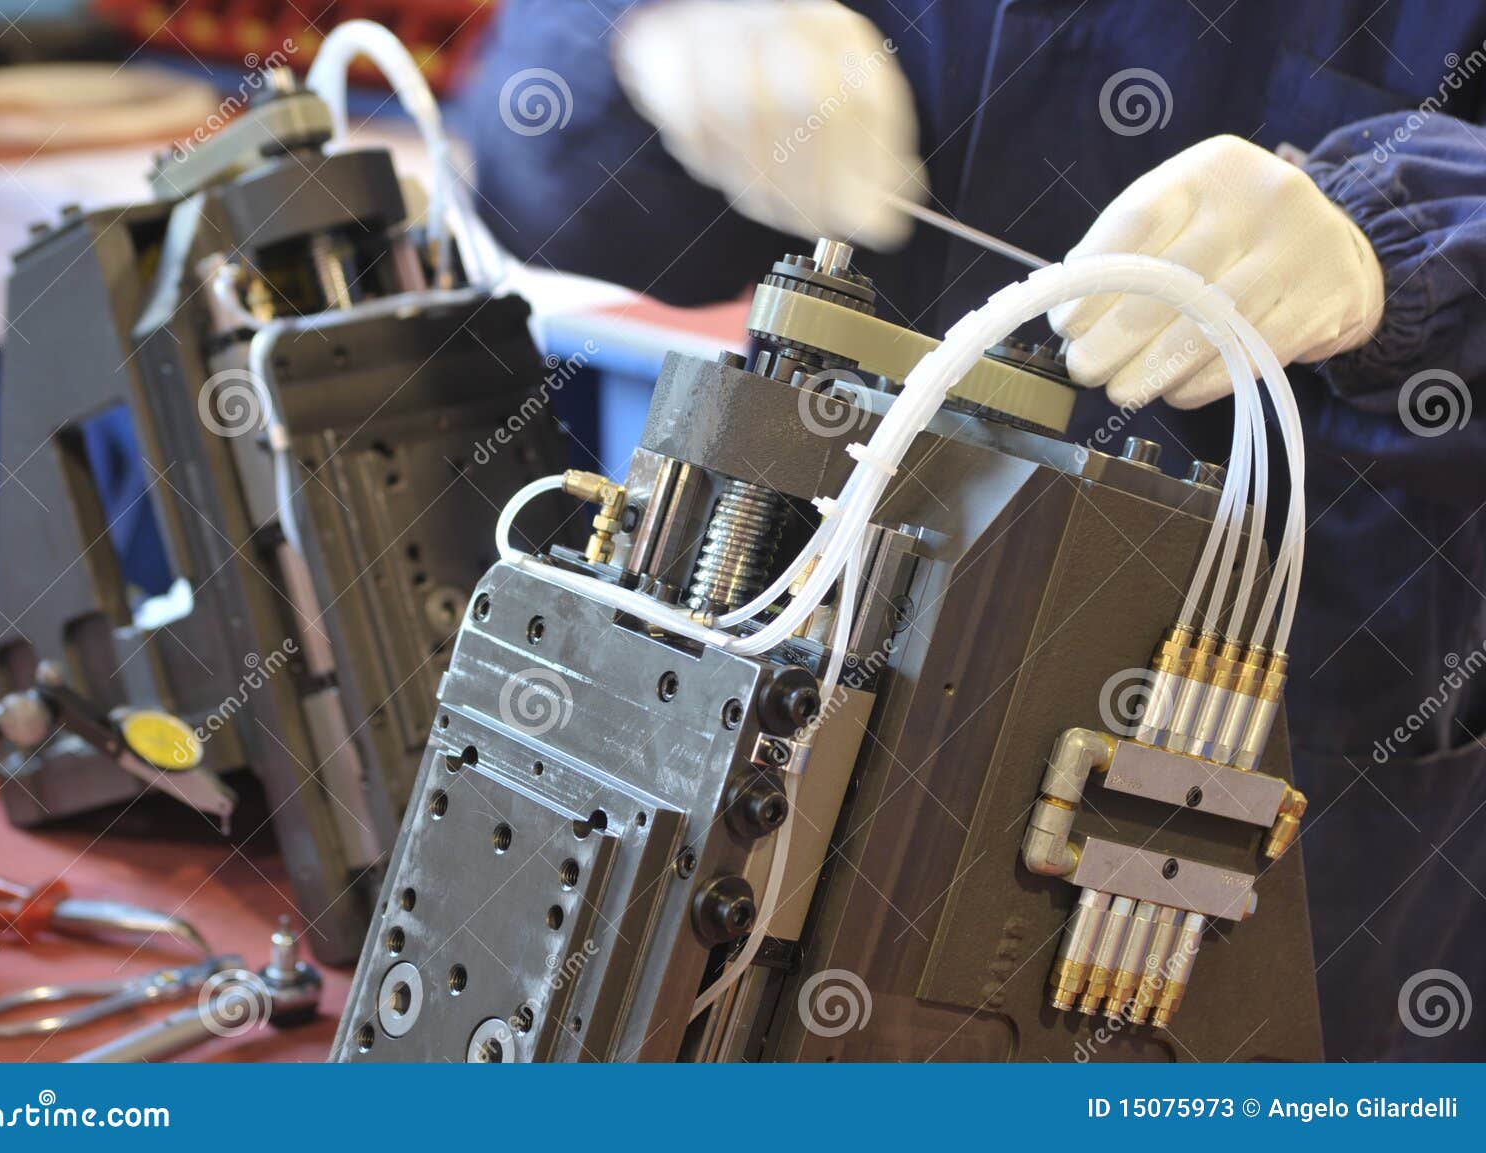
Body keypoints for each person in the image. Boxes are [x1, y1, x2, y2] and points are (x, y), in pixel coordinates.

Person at [453, 0, 1486, 1059]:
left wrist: (1402, 244)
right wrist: (635, 44)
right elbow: (533, 164)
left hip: (1281, 793)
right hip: (831, 713)